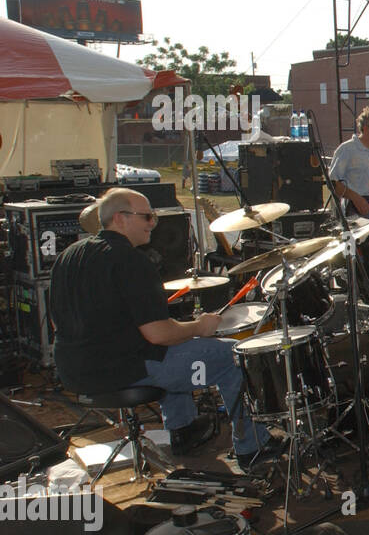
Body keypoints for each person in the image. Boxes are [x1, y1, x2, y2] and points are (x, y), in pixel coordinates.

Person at [50, 189, 275, 472]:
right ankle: (252, 446)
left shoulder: (68, 257)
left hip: (72, 370)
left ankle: (184, 431)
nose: (152, 223)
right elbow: (158, 334)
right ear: (119, 218)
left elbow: (56, 324)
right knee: (232, 355)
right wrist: (199, 327)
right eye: (147, 216)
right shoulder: (130, 260)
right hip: (121, 371)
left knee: (171, 350)